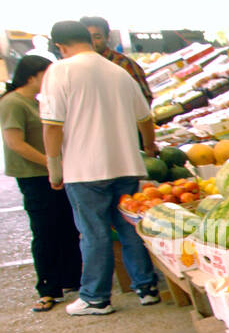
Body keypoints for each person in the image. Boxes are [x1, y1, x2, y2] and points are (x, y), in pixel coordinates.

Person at [41, 20, 159, 315]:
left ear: (59, 46)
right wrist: (148, 148)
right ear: (89, 40)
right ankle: (146, 288)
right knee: (129, 228)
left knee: (94, 233)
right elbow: (145, 119)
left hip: (84, 169)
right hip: (125, 164)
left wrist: (53, 165)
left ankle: (95, 297)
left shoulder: (60, 70)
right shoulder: (117, 71)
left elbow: (52, 126)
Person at [1, 54, 82, 311]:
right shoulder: (12, 103)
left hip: (54, 173)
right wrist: (50, 162)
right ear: (32, 75)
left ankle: (71, 278)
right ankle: (47, 288)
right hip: (34, 176)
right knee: (45, 230)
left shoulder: (37, 101)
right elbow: (15, 143)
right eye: (46, 75)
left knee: (67, 225)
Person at [80, 16, 152, 102]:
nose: (92, 42)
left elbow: (144, 99)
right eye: (87, 38)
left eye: (97, 37)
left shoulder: (125, 64)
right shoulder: (77, 67)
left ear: (107, 38)